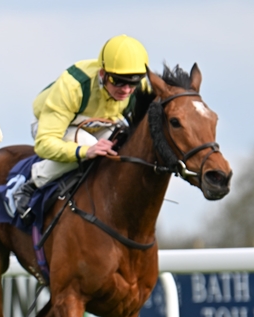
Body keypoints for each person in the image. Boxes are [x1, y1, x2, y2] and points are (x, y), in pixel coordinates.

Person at [12, 34, 150, 220]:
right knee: (89, 143)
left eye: (133, 83)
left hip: (99, 124)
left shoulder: (138, 86)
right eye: (118, 81)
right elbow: (44, 144)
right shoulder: (73, 86)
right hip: (54, 127)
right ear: (103, 74)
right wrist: (85, 151)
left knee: (121, 144)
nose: (126, 90)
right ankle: (29, 186)